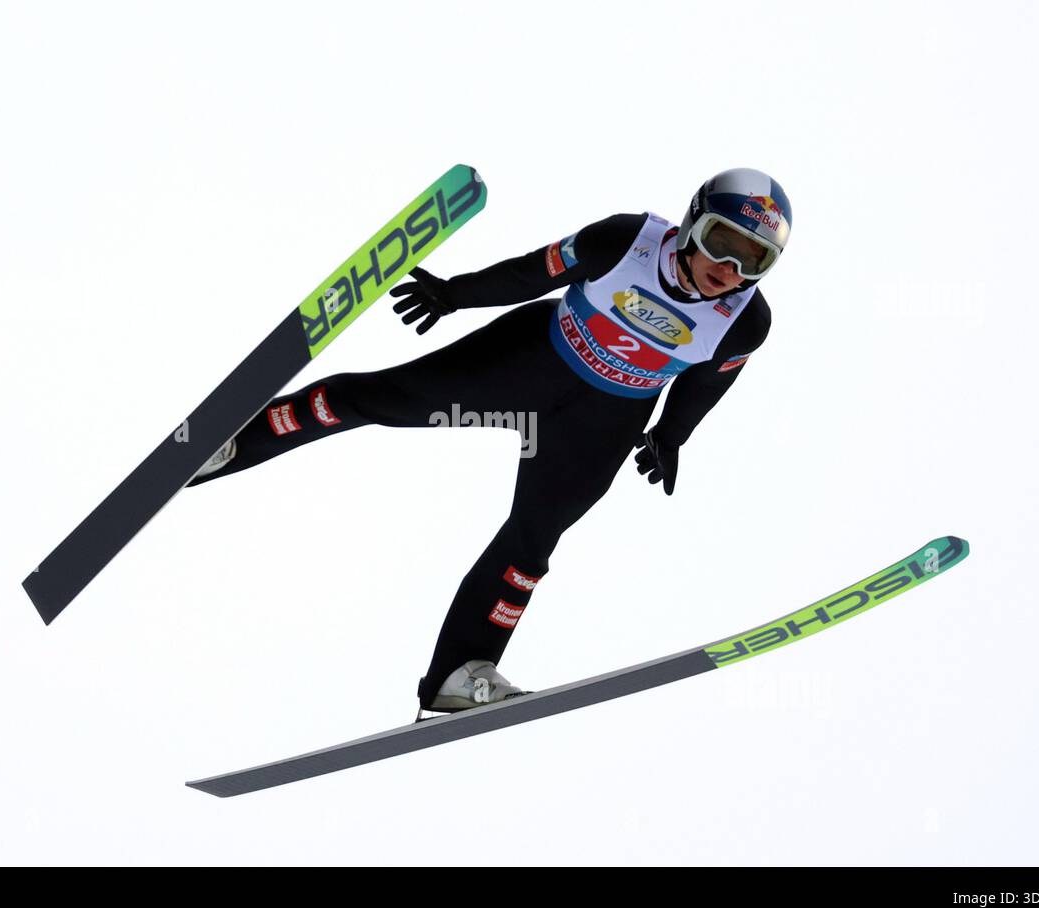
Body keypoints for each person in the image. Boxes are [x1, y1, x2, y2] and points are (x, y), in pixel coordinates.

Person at [189, 167, 793, 719]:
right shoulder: (625, 241)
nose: (730, 270)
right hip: (526, 365)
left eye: (753, 260)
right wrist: (455, 294)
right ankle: (234, 443)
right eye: (722, 242)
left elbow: (706, 382)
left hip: (602, 423)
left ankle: (459, 674)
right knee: (377, 400)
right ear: (693, 221)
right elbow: (535, 272)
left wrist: (671, 435)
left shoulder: (747, 321)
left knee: (533, 543)